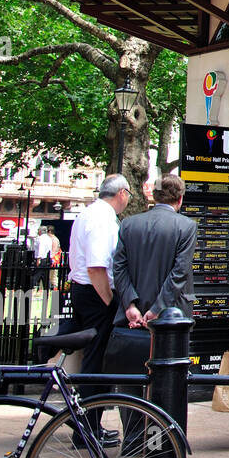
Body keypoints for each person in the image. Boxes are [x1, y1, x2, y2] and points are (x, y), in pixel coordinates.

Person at [68, 174, 131, 423]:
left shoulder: (89, 213)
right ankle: (88, 428)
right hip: (95, 293)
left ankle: (89, 425)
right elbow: (96, 267)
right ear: (122, 194)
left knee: (96, 359)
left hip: (85, 290)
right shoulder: (102, 219)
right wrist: (110, 303)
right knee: (97, 361)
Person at [112, 174, 196, 327]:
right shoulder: (186, 226)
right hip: (172, 314)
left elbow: (119, 268)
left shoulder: (128, 224)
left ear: (154, 196)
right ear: (180, 199)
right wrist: (158, 308)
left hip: (133, 313)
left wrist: (130, 304)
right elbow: (180, 272)